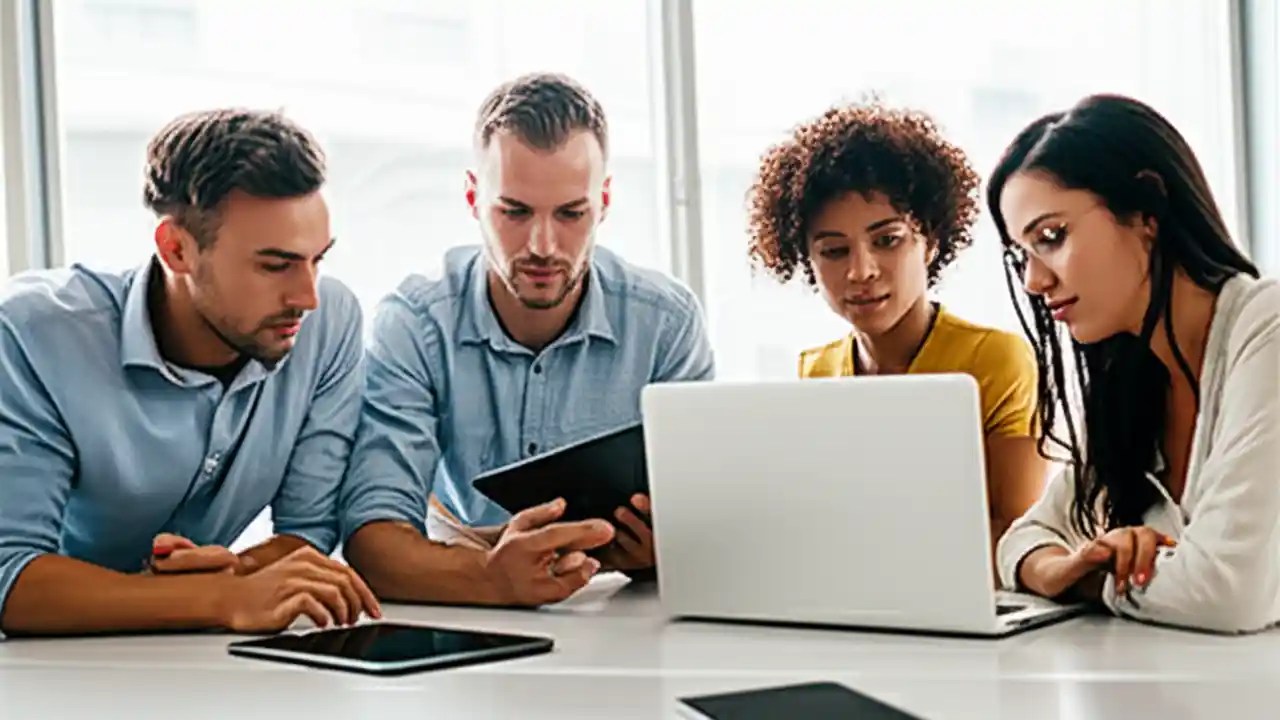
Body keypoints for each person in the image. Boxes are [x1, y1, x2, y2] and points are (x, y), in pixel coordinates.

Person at [0, 108, 381, 637]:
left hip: (195, 660)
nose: (307, 296)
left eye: (318, 259)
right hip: (46, 671)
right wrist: (218, 597)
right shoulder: (32, 335)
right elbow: (9, 580)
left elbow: (307, 535)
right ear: (176, 249)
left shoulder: (328, 323)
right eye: (275, 266)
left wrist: (234, 572)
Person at [340, 72, 714, 606]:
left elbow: (702, 523)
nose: (542, 245)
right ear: (473, 197)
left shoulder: (667, 323)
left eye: (571, 213)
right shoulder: (415, 323)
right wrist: (489, 577)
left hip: (615, 607)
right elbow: (372, 543)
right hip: (459, 586)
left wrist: (658, 554)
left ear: (603, 201)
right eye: (514, 212)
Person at [991, 94, 1279, 634]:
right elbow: (1021, 542)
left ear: (1147, 214)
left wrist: (1083, 579)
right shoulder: (1128, 377)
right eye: (1021, 254)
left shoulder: (1267, 329)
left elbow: (1225, 593)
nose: (1033, 281)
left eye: (1051, 237)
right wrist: (1069, 563)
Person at [746, 100, 1047, 554]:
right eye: (833, 250)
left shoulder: (995, 359)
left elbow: (1014, 532)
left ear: (931, 242)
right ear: (806, 260)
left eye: (887, 241)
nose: (861, 272)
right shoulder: (816, 372)